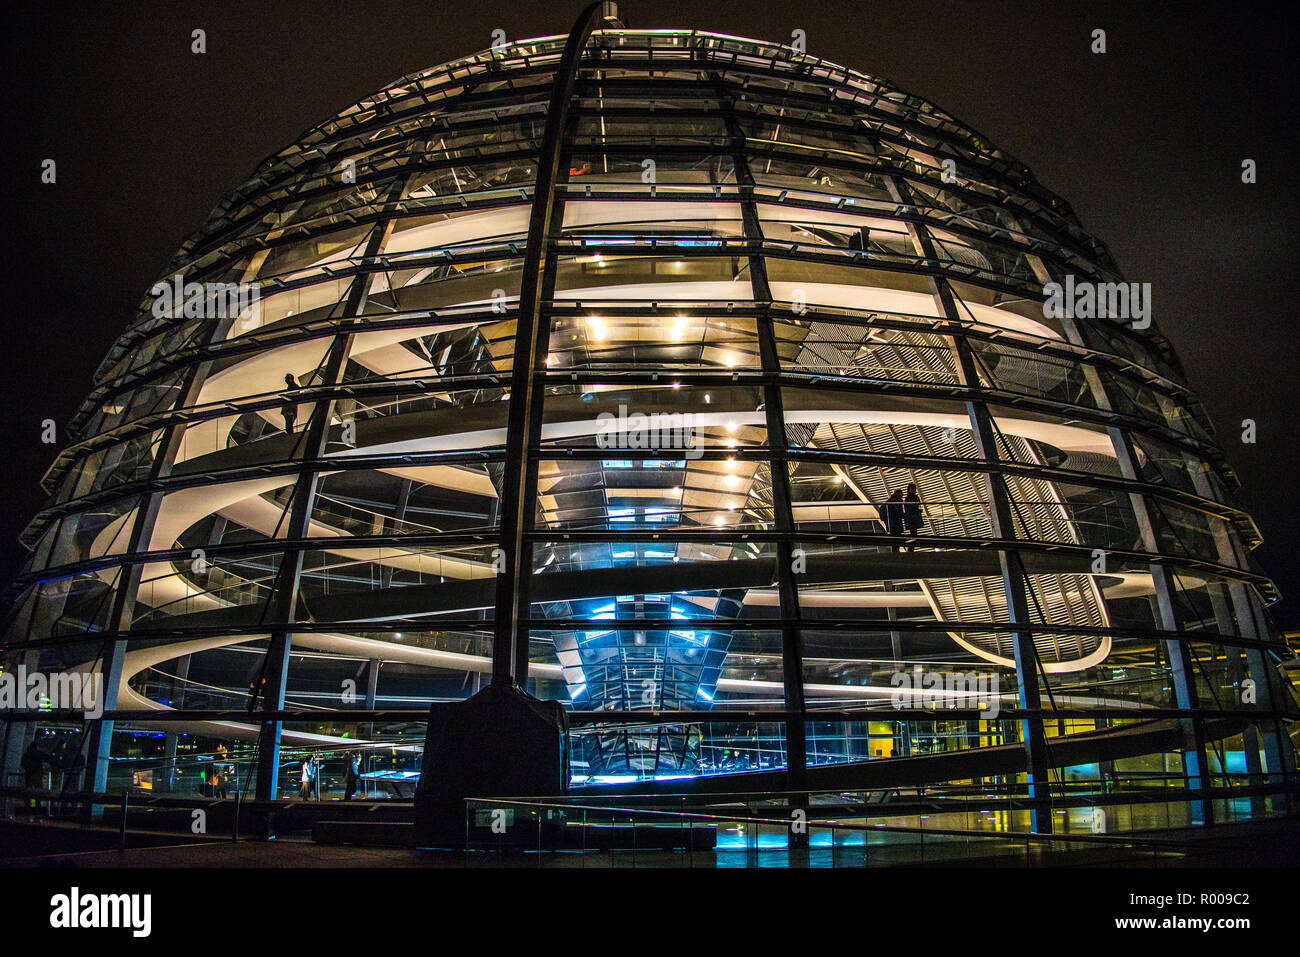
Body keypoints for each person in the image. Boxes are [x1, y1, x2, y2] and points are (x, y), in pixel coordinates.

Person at [902, 482, 924, 550]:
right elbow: (910, 508)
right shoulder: (910, 498)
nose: (914, 490)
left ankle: (911, 549)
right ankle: (911, 549)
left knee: (913, 533)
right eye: (912, 488)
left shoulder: (911, 497)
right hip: (912, 517)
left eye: (914, 488)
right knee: (913, 533)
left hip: (912, 517)